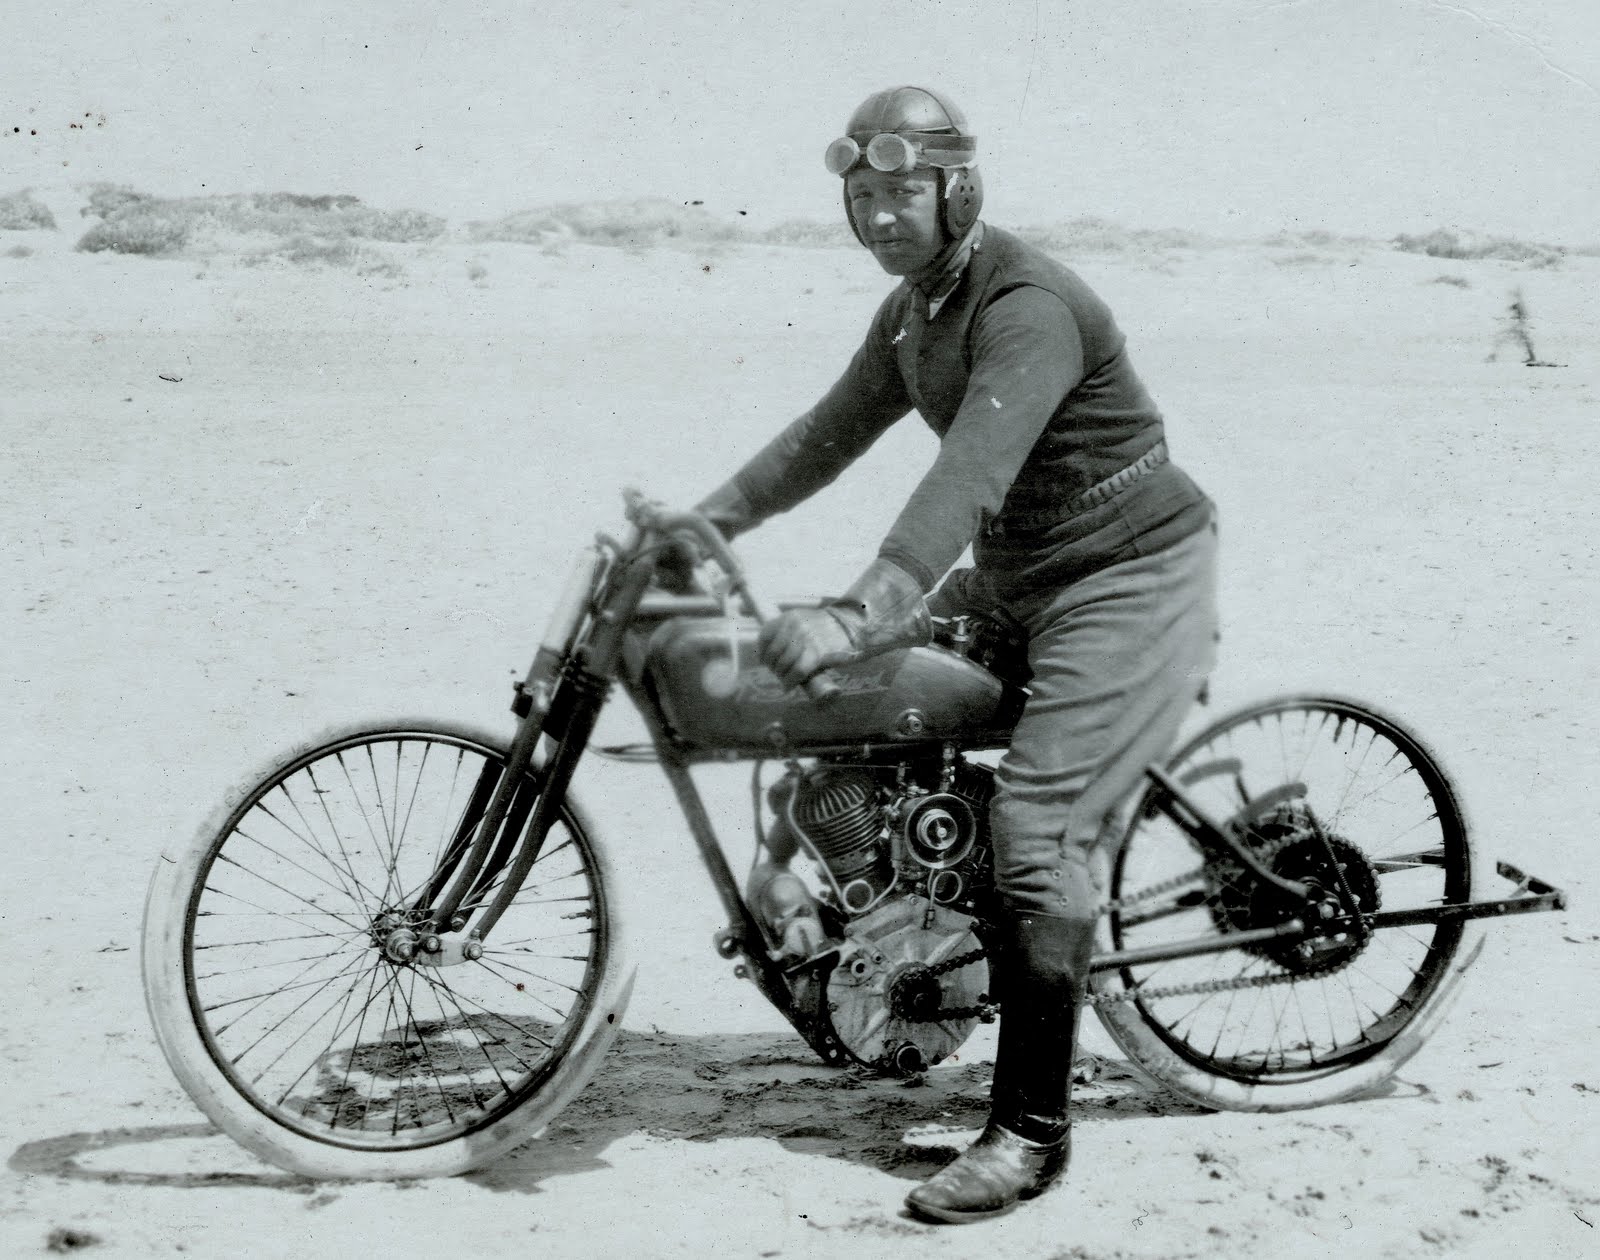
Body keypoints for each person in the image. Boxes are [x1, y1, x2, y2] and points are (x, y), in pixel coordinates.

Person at [690, 85, 1219, 1223]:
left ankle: (1030, 1132)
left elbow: (962, 478)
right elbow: (823, 436)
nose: (880, 217)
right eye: (863, 197)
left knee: (1038, 836)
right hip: (1019, 573)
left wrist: (868, 601)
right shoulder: (912, 311)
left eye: (901, 193)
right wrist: (706, 523)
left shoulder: (1025, 303)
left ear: (958, 190)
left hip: (1123, 576)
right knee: (843, 708)